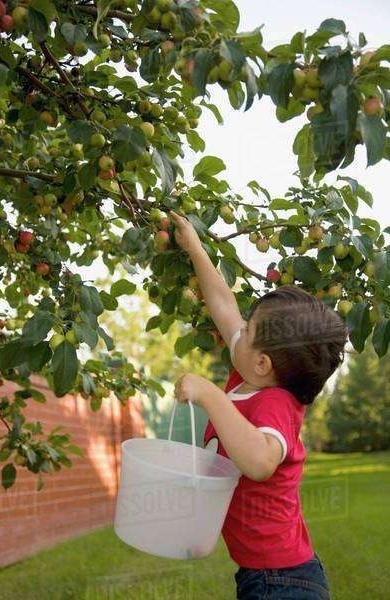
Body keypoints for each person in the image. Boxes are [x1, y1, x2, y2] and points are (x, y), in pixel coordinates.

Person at [169, 209, 348, 599]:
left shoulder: (276, 404)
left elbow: (259, 462)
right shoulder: (248, 376)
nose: (240, 329)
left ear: (263, 363)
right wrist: (196, 248)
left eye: (248, 330)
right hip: (266, 574)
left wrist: (211, 395)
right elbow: (224, 307)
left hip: (283, 581)